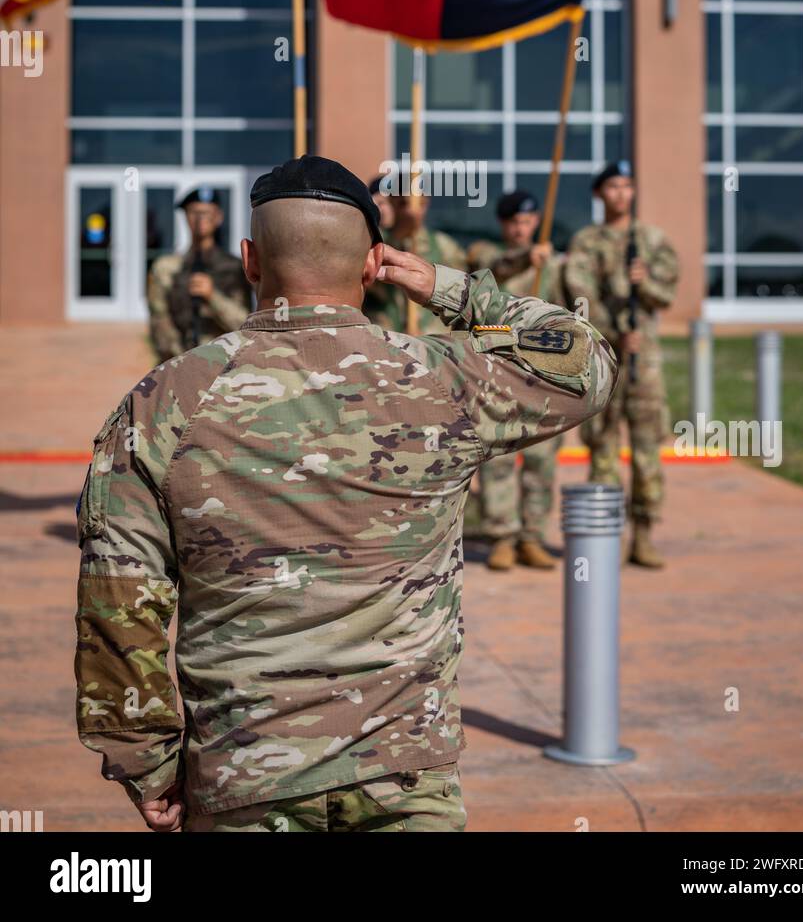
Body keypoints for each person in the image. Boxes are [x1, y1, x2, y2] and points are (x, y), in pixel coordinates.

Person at [74, 154, 618, 834]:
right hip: (405, 776)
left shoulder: (163, 404)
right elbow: (585, 363)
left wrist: (146, 761)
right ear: (372, 265)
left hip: (243, 779)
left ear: (249, 260)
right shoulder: (440, 381)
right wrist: (451, 290)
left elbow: (117, 601)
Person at [565, 160, 679, 569]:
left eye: (627, 186)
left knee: (648, 450)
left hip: (643, 363)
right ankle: (605, 535)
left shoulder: (651, 240)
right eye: (612, 186)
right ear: (599, 193)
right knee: (603, 448)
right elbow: (580, 298)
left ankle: (644, 533)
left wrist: (643, 281)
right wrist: (614, 332)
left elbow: (665, 294)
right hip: (605, 359)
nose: (620, 193)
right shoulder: (586, 242)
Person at [467, 190, 569, 572]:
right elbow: (495, 269)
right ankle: (502, 536)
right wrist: (528, 258)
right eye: (514, 222)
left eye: (527, 222)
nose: (520, 228)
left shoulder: (553, 267)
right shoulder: (485, 257)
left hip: (543, 373)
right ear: (503, 224)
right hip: (500, 369)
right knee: (499, 456)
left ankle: (532, 535)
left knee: (542, 459)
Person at [146, 186, 251, 361]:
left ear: (218, 217)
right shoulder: (166, 268)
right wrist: (186, 360)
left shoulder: (234, 267)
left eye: (207, 213)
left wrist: (212, 297)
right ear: (186, 217)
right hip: (178, 364)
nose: (200, 219)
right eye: (194, 212)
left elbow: (244, 325)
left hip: (224, 364)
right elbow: (159, 322)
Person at [363, 188, 465, 336]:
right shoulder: (374, 242)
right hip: (386, 341)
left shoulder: (443, 246)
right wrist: (398, 235)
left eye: (419, 205)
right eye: (403, 204)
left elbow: (459, 291)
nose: (411, 212)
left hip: (433, 343)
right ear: (392, 204)